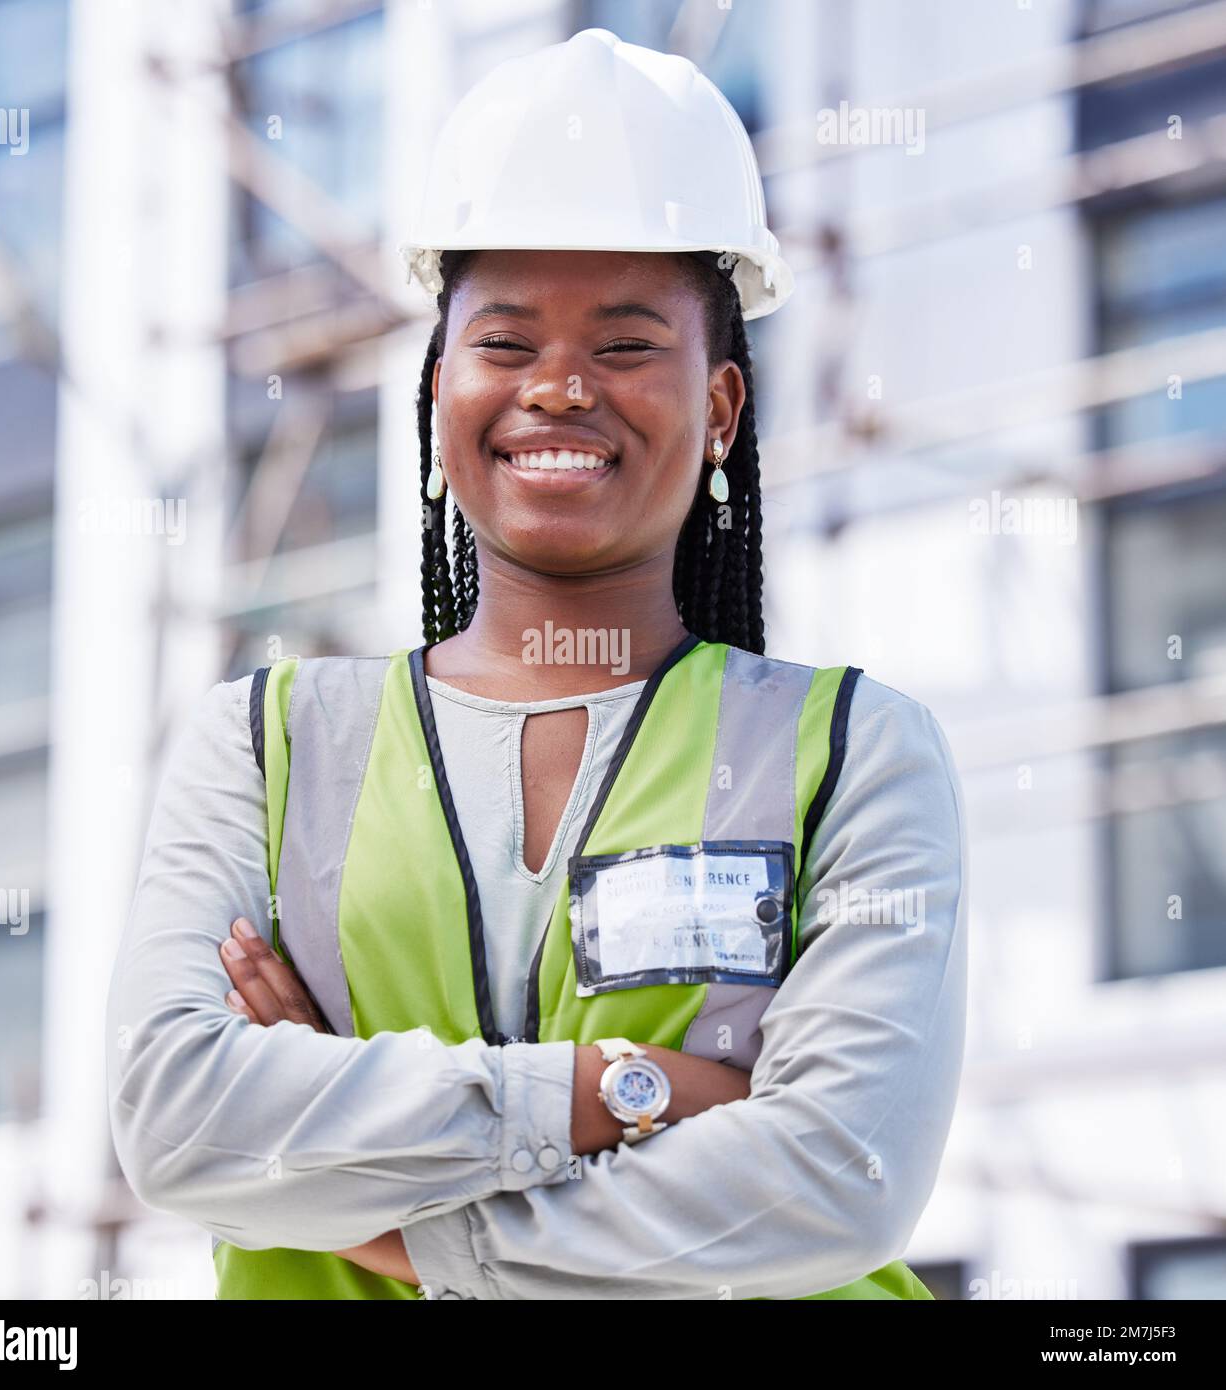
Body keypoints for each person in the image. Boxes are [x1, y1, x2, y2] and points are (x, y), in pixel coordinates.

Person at [105, 27, 967, 1301]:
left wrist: (380, 1204)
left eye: (624, 345)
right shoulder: (266, 743)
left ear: (721, 405)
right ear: (439, 384)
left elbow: (840, 1175)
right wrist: (607, 1092)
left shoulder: (851, 753)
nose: (559, 387)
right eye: (505, 343)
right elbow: (176, 1118)